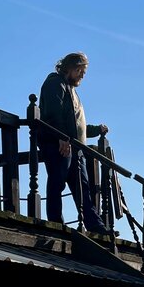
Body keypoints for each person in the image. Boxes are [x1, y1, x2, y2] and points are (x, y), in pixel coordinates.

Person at [38, 52, 109, 234]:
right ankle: (55, 222)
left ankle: (95, 226)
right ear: (71, 67)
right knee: (57, 182)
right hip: (59, 144)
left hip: (74, 147)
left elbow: (77, 125)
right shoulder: (54, 83)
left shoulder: (70, 90)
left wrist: (95, 130)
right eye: (80, 71)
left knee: (82, 189)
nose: (82, 75)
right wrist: (61, 137)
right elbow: (53, 114)